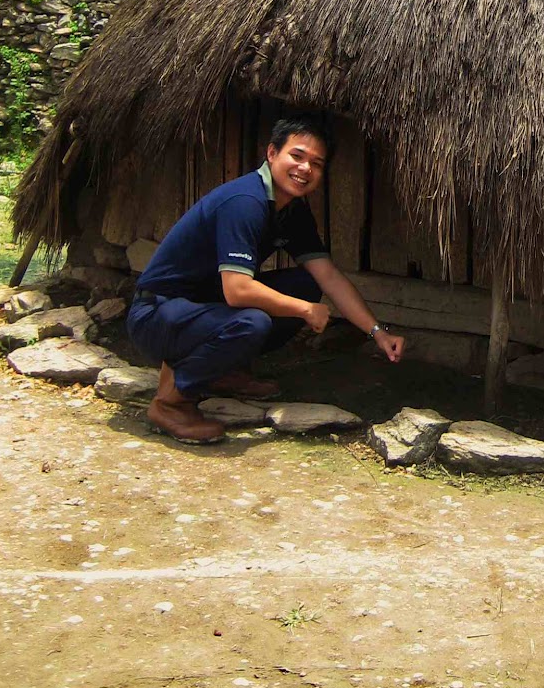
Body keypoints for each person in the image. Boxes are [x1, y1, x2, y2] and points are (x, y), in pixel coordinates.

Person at [126, 115, 403, 443]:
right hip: (157, 315)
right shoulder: (245, 202)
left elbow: (327, 275)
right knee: (253, 321)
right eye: (297, 156)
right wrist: (304, 310)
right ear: (272, 153)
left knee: (305, 284)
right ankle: (171, 403)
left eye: (316, 163)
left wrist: (377, 332)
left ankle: (223, 372)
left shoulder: (291, 210)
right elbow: (237, 290)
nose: (305, 169)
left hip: (201, 309)